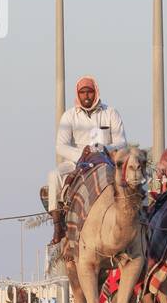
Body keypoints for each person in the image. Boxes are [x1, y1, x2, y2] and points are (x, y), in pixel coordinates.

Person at [46, 75, 127, 244]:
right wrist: (83, 154)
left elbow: (122, 142)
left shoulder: (110, 112)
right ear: (78, 94)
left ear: (95, 92)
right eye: (82, 93)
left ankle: (138, 220)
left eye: (89, 92)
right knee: (53, 176)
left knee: (137, 179)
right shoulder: (69, 116)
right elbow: (60, 146)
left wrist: (106, 149)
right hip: (79, 162)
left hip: (106, 161)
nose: (86, 96)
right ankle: (57, 225)